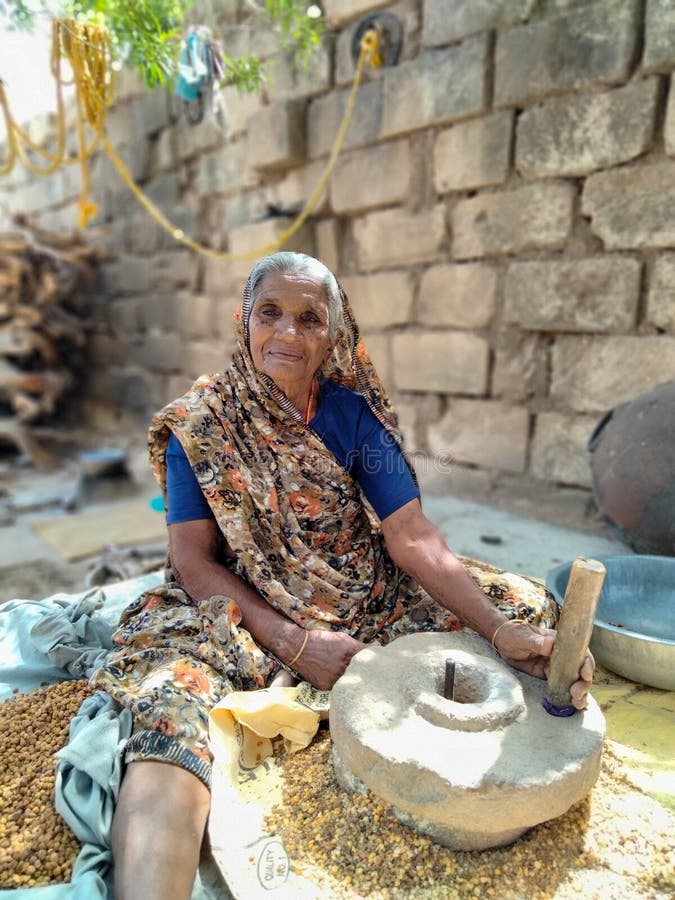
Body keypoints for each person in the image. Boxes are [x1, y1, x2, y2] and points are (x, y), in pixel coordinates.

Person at [92, 252, 594, 900]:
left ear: (334, 335)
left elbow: (411, 536)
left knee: (523, 605)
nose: (288, 334)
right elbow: (192, 560)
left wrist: (497, 632)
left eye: (309, 319)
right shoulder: (204, 422)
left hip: (360, 592)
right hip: (241, 604)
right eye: (270, 313)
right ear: (244, 319)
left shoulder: (350, 419)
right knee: (170, 697)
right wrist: (291, 641)